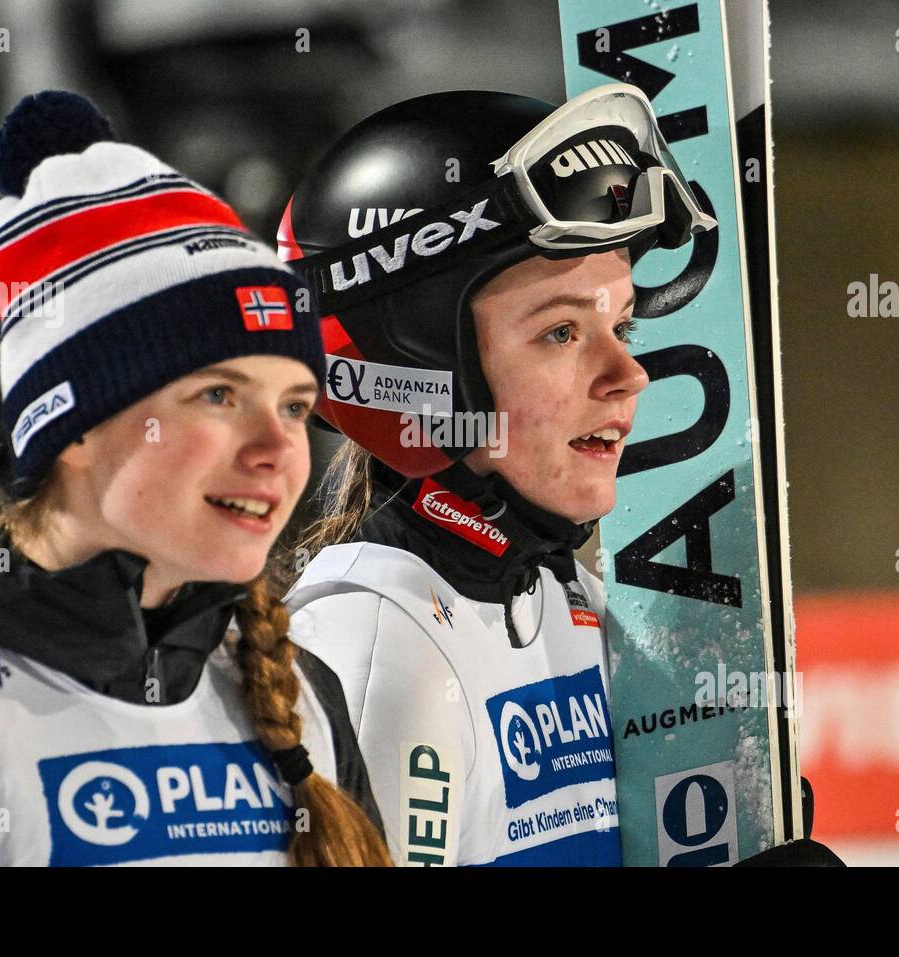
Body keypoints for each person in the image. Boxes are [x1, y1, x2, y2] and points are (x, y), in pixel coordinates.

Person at [0, 91, 389, 866]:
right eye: (219, 395)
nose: (275, 449)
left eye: (293, 406)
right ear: (73, 426)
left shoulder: (299, 695)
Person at [276, 84, 717, 865]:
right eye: (560, 332)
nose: (628, 374)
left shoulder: (561, 597)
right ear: (418, 367)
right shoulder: (382, 639)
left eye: (622, 326)